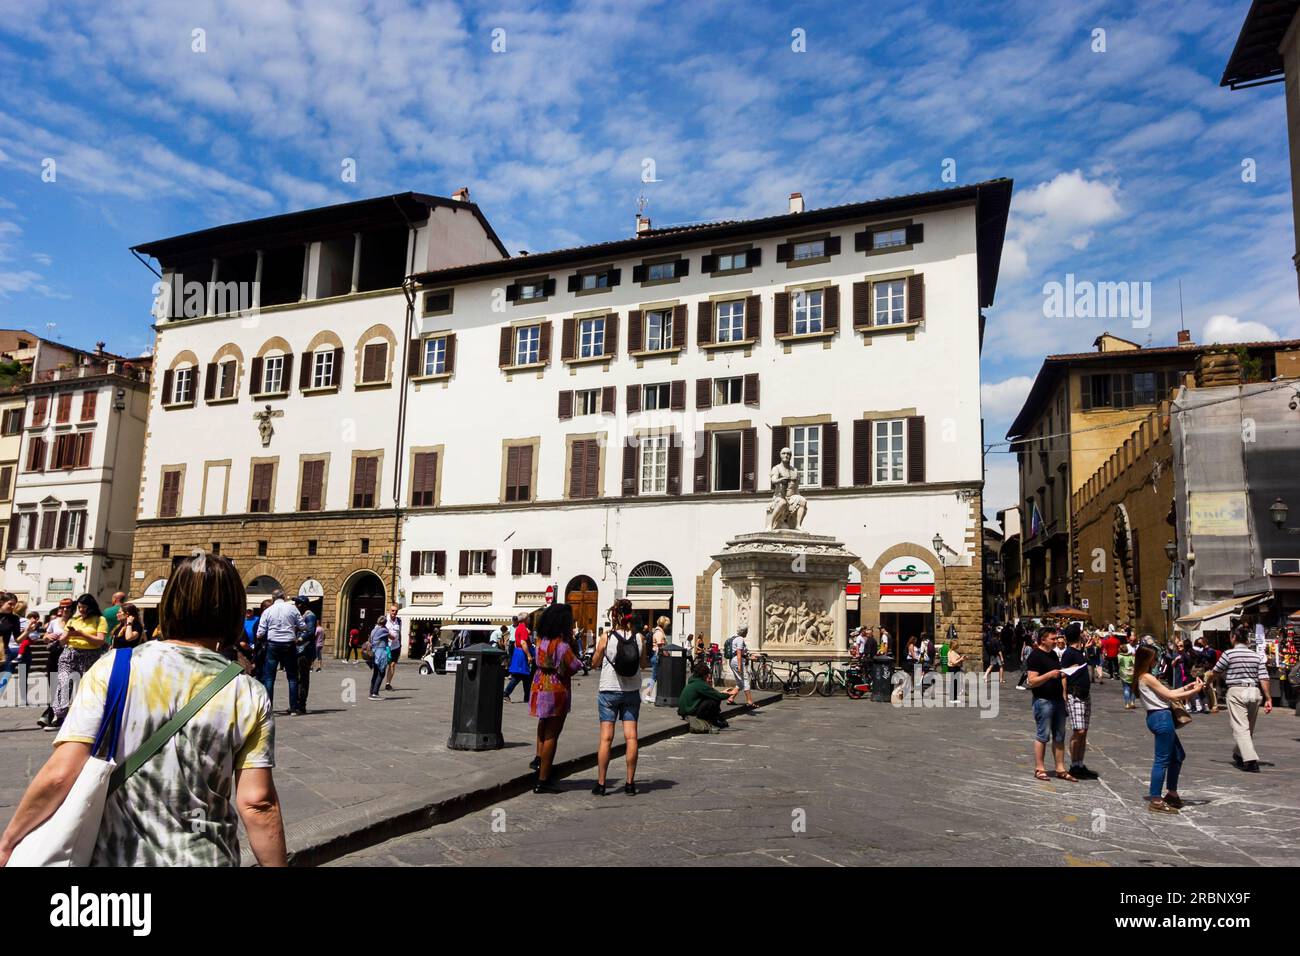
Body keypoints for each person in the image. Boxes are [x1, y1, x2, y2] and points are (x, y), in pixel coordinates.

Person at [0, 551, 286, 867]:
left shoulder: (114, 668)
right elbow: (258, 802)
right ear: (234, 613)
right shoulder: (246, 691)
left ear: (170, 603)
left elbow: (61, 772)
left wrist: (9, 840)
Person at [1134, 644, 1203, 813]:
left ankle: (1172, 794)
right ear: (1147, 659)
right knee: (1162, 759)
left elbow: (1167, 692)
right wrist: (1195, 691)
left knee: (1177, 755)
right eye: (1154, 657)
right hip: (1161, 717)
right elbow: (1170, 696)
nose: (1156, 660)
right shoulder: (1147, 677)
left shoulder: (1144, 677)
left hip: (1159, 716)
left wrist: (1187, 688)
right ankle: (1156, 800)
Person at [528, 604, 585, 794]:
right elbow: (574, 666)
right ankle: (543, 779)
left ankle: (538, 758)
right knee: (553, 732)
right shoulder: (561, 646)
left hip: (539, 683)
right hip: (556, 687)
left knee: (543, 725)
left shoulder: (542, 640)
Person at [592, 598, 642, 796]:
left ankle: (602, 784)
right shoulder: (638, 638)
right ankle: (630, 783)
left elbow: (594, 663)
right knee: (631, 737)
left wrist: (600, 652)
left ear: (614, 616)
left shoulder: (607, 637)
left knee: (606, 738)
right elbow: (644, 664)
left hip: (609, 690)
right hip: (631, 691)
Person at [1213, 628, 1273, 773]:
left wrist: (1208, 681)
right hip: (1254, 691)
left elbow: (1216, 671)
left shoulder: (1228, 654)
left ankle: (1251, 761)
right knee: (1248, 728)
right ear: (1247, 640)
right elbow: (1264, 677)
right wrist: (1268, 698)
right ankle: (1239, 753)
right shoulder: (1256, 656)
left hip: (1236, 690)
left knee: (1241, 728)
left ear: (1233, 638)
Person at [48, 594, 109, 732]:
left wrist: (82, 634)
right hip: (69, 653)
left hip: (90, 655)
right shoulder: (73, 620)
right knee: (63, 682)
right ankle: (59, 716)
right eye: (79, 607)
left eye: (84, 607)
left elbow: (100, 641)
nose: (81, 610)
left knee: (88, 686)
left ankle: (88, 715)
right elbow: (63, 641)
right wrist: (67, 635)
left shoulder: (100, 619)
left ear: (91, 607)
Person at [1026, 626, 1074, 782]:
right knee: (1043, 735)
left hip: (1058, 700)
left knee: (1060, 736)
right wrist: (1049, 675)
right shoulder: (1035, 656)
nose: (1056, 641)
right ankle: (1039, 768)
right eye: (1052, 639)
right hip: (1043, 701)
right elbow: (1032, 681)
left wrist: (1065, 674)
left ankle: (1060, 768)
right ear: (1043, 640)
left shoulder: (1053, 654)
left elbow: (1058, 675)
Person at [255, 590, 305, 714]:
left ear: (273, 599)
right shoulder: (292, 609)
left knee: (269, 678)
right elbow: (303, 626)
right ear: (283, 597)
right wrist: (293, 628)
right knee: (292, 677)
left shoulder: (267, 611)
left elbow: (260, 633)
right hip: (289, 644)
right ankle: (293, 708)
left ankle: (269, 709)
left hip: (273, 644)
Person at [1061, 627, 1097, 779]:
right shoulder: (1068, 653)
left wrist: (1085, 647)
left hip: (1085, 695)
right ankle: (1073, 765)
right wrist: (1064, 695)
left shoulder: (1078, 652)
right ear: (1078, 635)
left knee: (1084, 732)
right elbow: (1063, 674)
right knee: (1079, 731)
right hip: (1074, 695)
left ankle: (1079, 764)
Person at [678, 660, 739, 729]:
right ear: (704, 675)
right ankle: (713, 721)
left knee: (711, 698)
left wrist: (723, 692)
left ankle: (715, 719)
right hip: (689, 711)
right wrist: (731, 693)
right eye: (707, 675)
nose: (708, 677)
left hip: (684, 711)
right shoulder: (700, 684)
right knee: (713, 701)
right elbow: (718, 696)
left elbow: (711, 693)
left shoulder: (693, 682)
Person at [291, 597, 316, 715]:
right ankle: (295, 703)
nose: (296, 605)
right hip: (297, 650)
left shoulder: (310, 616)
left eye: (298, 603)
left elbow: (310, 632)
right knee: (296, 678)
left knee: (303, 678)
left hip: (304, 650)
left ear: (303, 605)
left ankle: (301, 705)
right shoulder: (300, 616)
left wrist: (299, 639)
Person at [503, 621, 534, 702]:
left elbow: (517, 644)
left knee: (526, 678)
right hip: (522, 656)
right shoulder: (523, 629)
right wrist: (528, 655)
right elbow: (523, 642)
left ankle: (527, 698)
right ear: (525, 620)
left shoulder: (518, 628)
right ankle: (506, 693)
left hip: (519, 654)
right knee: (517, 677)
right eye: (529, 619)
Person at [729, 625, 754, 709]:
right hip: (737, 661)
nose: (747, 633)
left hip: (733, 660)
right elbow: (739, 652)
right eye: (746, 631)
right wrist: (739, 665)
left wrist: (750, 657)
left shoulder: (734, 638)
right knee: (745, 680)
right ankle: (749, 701)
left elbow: (741, 653)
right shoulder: (740, 639)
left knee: (739, 682)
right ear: (743, 632)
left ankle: (731, 698)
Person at [366, 616, 391, 700]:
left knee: (375, 673)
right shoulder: (383, 630)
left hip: (374, 652)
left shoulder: (374, 630)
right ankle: (375, 693)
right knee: (381, 673)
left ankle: (371, 692)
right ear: (384, 623)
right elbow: (392, 636)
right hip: (380, 653)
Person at [644, 616, 669, 702]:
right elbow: (660, 646)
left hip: (656, 656)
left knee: (657, 676)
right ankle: (648, 694)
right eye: (667, 624)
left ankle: (656, 694)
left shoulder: (658, 631)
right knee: (654, 676)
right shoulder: (659, 633)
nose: (667, 626)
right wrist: (667, 655)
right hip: (657, 656)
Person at [384, 604, 402, 689]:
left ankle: (388, 683)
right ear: (389, 611)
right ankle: (377, 681)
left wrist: (400, 644)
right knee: (383, 665)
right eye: (393, 611)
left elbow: (399, 633)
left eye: (396, 611)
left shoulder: (399, 620)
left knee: (392, 664)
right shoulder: (384, 619)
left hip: (395, 646)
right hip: (385, 646)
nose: (394, 613)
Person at [1118, 639, 1137, 709]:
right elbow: (1134, 663)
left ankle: (1126, 704)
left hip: (1123, 673)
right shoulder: (1131, 656)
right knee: (1133, 688)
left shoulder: (1119, 656)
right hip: (1131, 673)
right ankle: (1132, 702)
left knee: (1126, 688)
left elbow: (1119, 663)